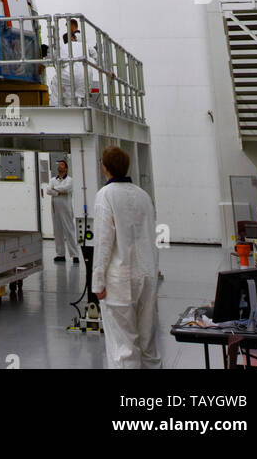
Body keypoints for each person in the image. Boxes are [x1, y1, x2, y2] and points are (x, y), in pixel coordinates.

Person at [92, 144, 161, 370]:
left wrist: (98, 282)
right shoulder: (143, 196)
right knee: (148, 345)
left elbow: (103, 243)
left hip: (119, 281)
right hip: (147, 275)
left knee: (124, 347)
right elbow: (151, 236)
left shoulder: (106, 196)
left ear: (105, 168)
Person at [47, 159, 79, 264]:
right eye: (59, 165)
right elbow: (48, 190)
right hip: (55, 209)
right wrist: (58, 192)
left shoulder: (70, 180)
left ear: (66, 168)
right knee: (57, 232)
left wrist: (55, 189)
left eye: (62, 165)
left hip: (66, 209)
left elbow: (67, 188)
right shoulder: (52, 179)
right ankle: (60, 254)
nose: (59, 166)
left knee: (69, 231)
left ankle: (75, 255)